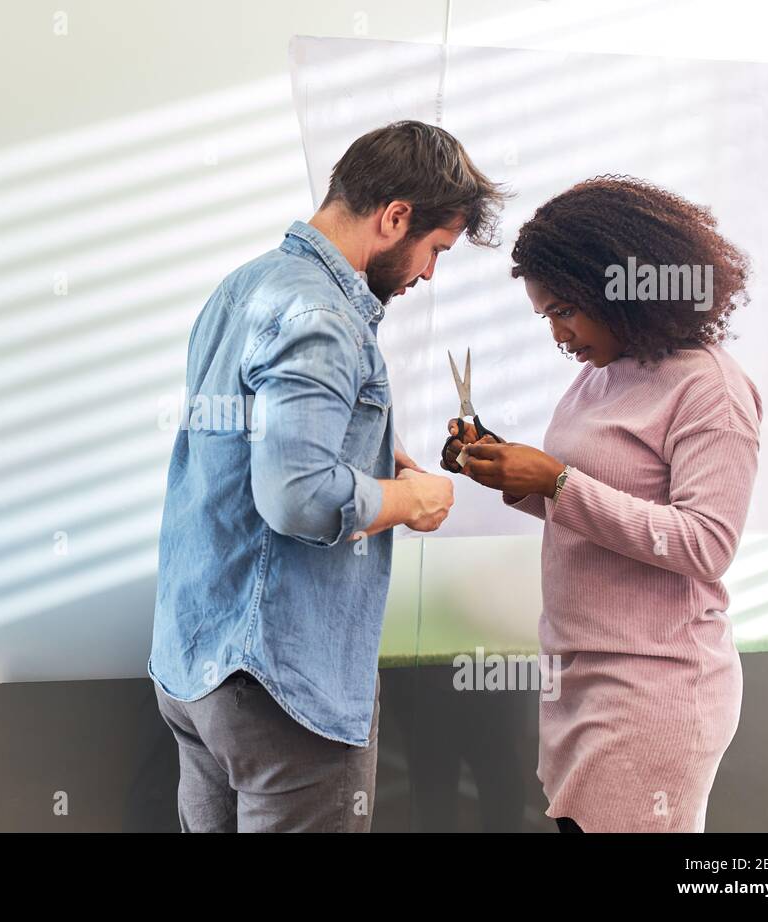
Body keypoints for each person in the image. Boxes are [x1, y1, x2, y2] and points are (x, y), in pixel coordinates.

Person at [149, 121, 506, 832]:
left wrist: (373, 457)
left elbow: (254, 442)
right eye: (435, 250)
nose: (430, 273)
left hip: (195, 665)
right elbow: (297, 497)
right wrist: (410, 498)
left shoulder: (244, 287)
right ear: (395, 216)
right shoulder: (322, 315)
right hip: (282, 684)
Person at [442, 175, 759, 832]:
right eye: (546, 315)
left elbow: (705, 543)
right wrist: (509, 470)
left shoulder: (710, 392)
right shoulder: (600, 375)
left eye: (565, 310)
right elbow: (590, 509)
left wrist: (557, 481)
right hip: (580, 679)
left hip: (654, 689)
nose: (559, 335)